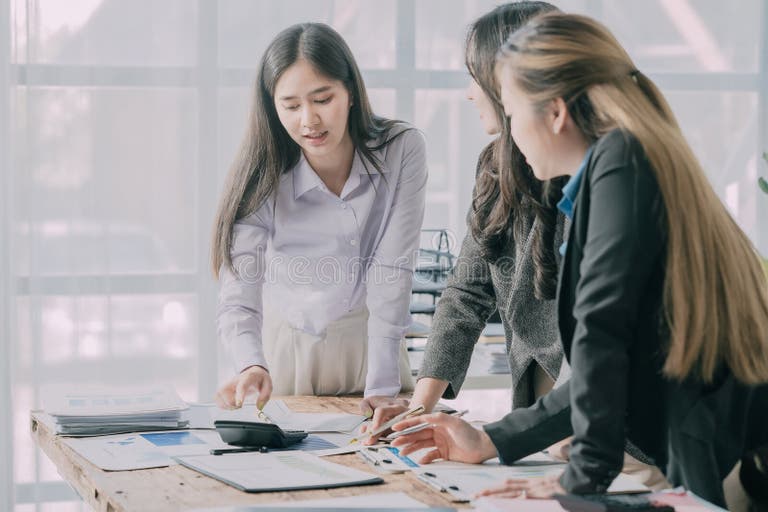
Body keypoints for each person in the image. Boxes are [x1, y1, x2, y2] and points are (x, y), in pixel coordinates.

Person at [391, 12, 768, 508]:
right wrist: (505, 443)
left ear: (555, 113)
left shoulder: (620, 164)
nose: (509, 129)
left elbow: (602, 330)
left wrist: (584, 473)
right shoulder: (619, 162)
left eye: (511, 108)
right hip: (705, 442)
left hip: (721, 455)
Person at [367, 0, 567, 435]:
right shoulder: (495, 165)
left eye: (475, 76)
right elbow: (467, 290)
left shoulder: (591, 173)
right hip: (538, 396)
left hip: (603, 416)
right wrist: (418, 408)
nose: (469, 92)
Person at [211, 23, 427, 413]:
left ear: (350, 94)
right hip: (288, 355)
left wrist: (381, 388)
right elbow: (239, 292)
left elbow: (392, 270)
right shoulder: (261, 174)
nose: (308, 120)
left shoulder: (401, 149)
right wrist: (250, 362)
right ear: (272, 108)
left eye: (322, 99)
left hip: (376, 343)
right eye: (291, 106)